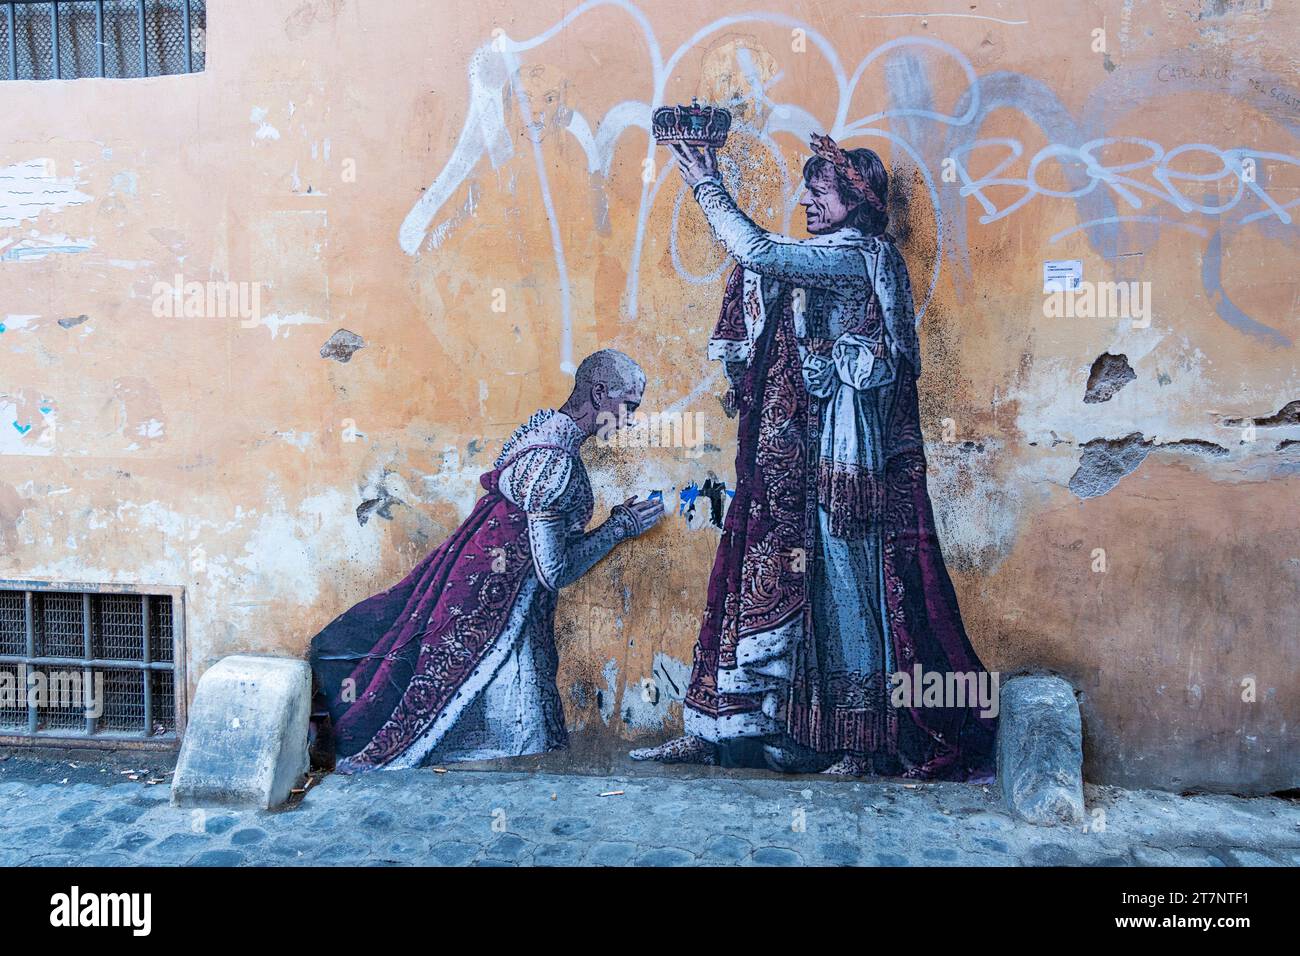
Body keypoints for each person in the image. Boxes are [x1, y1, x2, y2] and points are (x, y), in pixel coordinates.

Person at [630, 135, 995, 780]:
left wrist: (706, 183)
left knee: (853, 594)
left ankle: (864, 743)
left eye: (819, 192)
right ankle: (799, 731)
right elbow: (778, 269)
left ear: (856, 202)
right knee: (813, 592)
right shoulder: (836, 255)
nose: (806, 201)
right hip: (815, 450)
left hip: (854, 460)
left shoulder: (857, 256)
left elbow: (763, 253)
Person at [311, 349, 663, 771]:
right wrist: (619, 527)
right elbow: (554, 571)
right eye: (628, 406)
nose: (629, 419)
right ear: (599, 392)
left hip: (488, 595)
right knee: (521, 741)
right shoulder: (554, 461)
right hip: (494, 615)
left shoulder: (546, 439)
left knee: (517, 742)